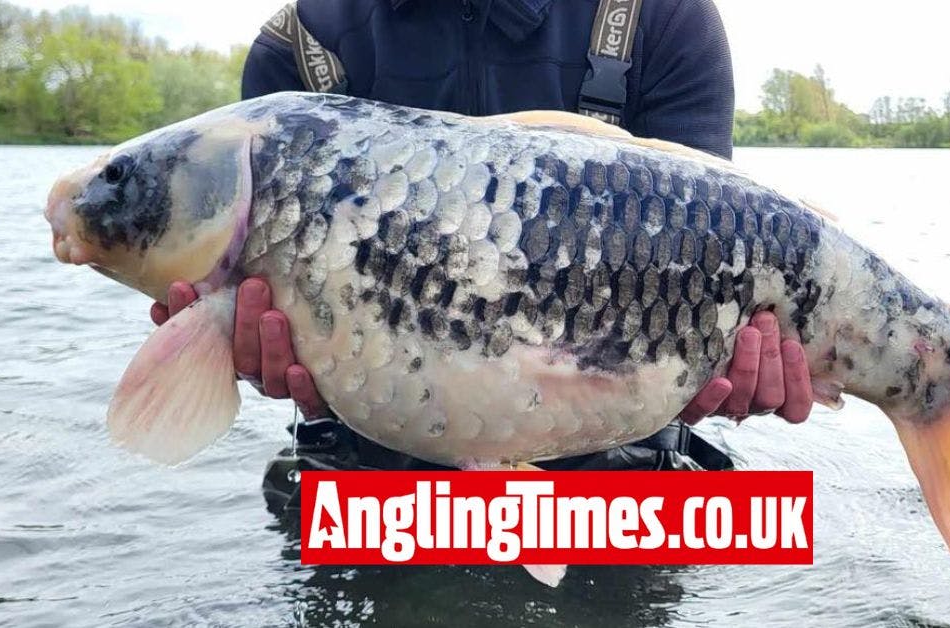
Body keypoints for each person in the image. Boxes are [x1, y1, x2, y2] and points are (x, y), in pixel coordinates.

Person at [149, 0, 816, 513]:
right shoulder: (301, 43)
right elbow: (251, 309)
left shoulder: (660, 15)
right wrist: (222, 337)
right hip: (372, 471)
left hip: (623, 478)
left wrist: (736, 351)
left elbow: (724, 269)